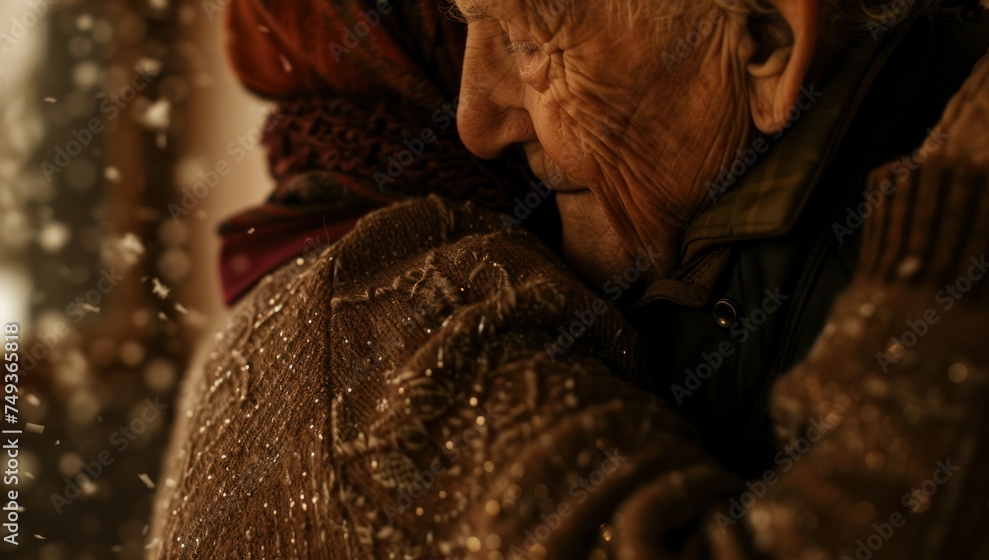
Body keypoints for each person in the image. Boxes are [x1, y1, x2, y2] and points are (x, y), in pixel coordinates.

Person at [147, 0, 989, 558]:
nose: (477, 120)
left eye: (521, 37)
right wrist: (938, 291)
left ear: (767, 34)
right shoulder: (383, 298)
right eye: (462, 23)